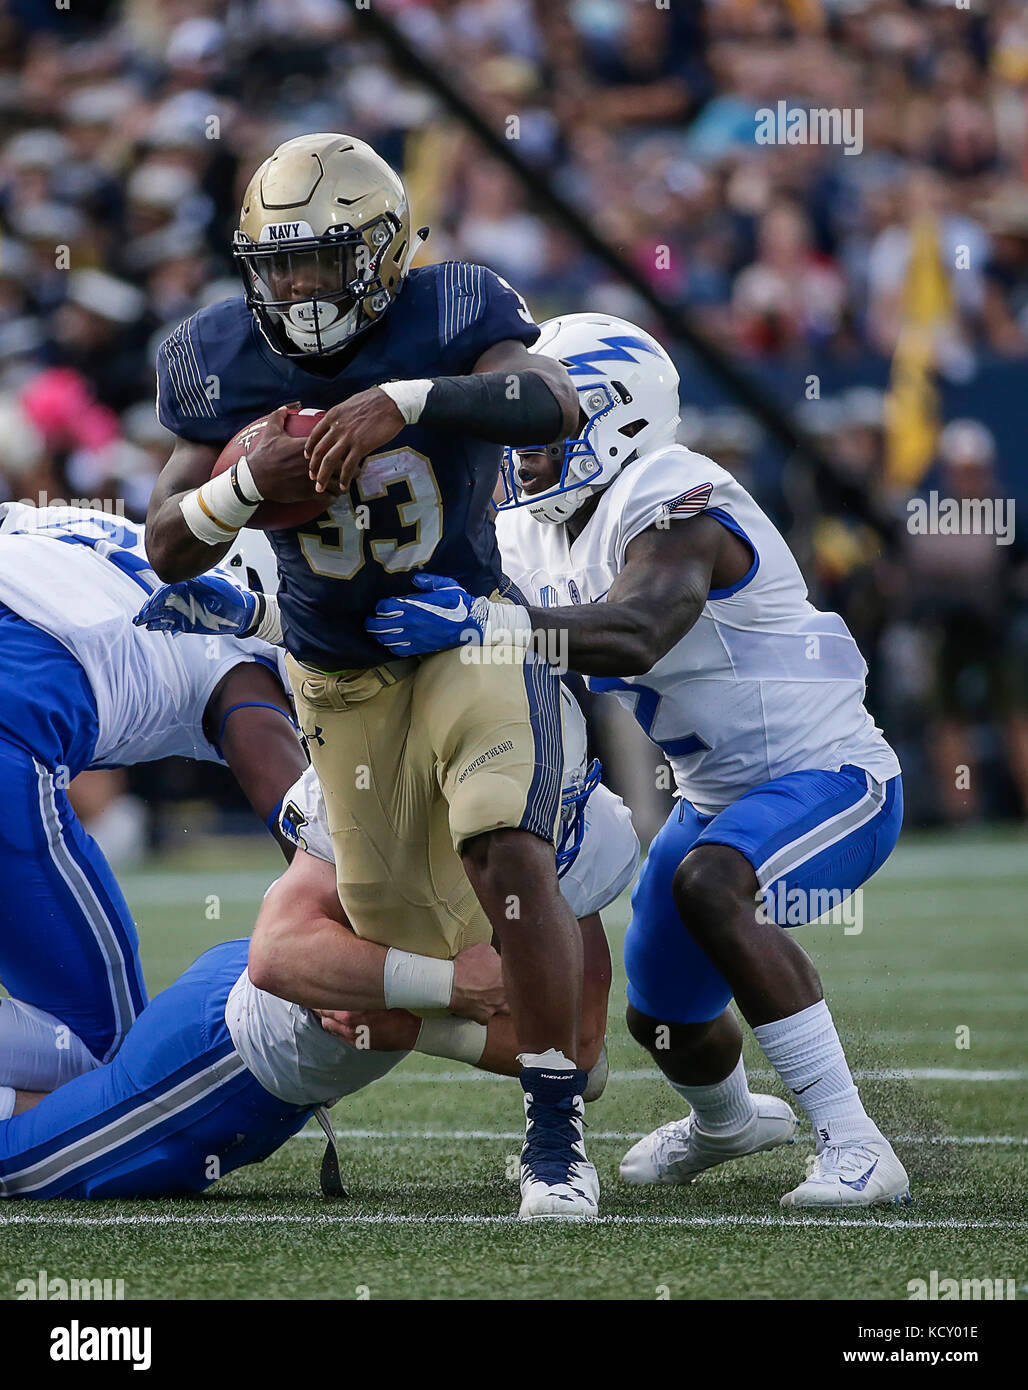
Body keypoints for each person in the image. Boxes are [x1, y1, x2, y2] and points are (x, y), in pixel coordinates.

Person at [142, 132, 600, 1219]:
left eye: (322, 258)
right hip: (337, 677)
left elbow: (552, 403)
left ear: (385, 252)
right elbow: (166, 542)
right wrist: (241, 486)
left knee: (502, 836)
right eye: (280, 263)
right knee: (398, 926)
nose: (298, 285)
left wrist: (409, 400)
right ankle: (546, 1027)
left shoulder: (449, 309)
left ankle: (553, 1138)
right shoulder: (213, 356)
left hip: (464, 633)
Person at [364, 311, 911, 1210]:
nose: (520, 444)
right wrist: (265, 615)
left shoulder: (674, 491)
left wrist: (482, 626)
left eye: (540, 418)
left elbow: (636, 629)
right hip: (715, 797)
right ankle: (729, 1124)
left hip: (832, 777)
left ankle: (856, 1142)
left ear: (615, 413)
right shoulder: (531, 530)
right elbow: (432, 611)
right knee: (662, 1020)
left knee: (708, 885)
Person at [0, 734, 638, 1199]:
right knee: (20, 1167)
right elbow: (279, 955)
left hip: (255, 1054)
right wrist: (444, 988)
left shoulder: (579, 818)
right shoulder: (383, 767)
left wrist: (427, 1030)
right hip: (224, 1058)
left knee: (73, 1110)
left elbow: (581, 1057)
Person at [0, 503, 305, 1085]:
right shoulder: (241, 659)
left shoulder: (103, 528)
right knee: (96, 1051)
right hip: (14, 713)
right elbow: (311, 837)